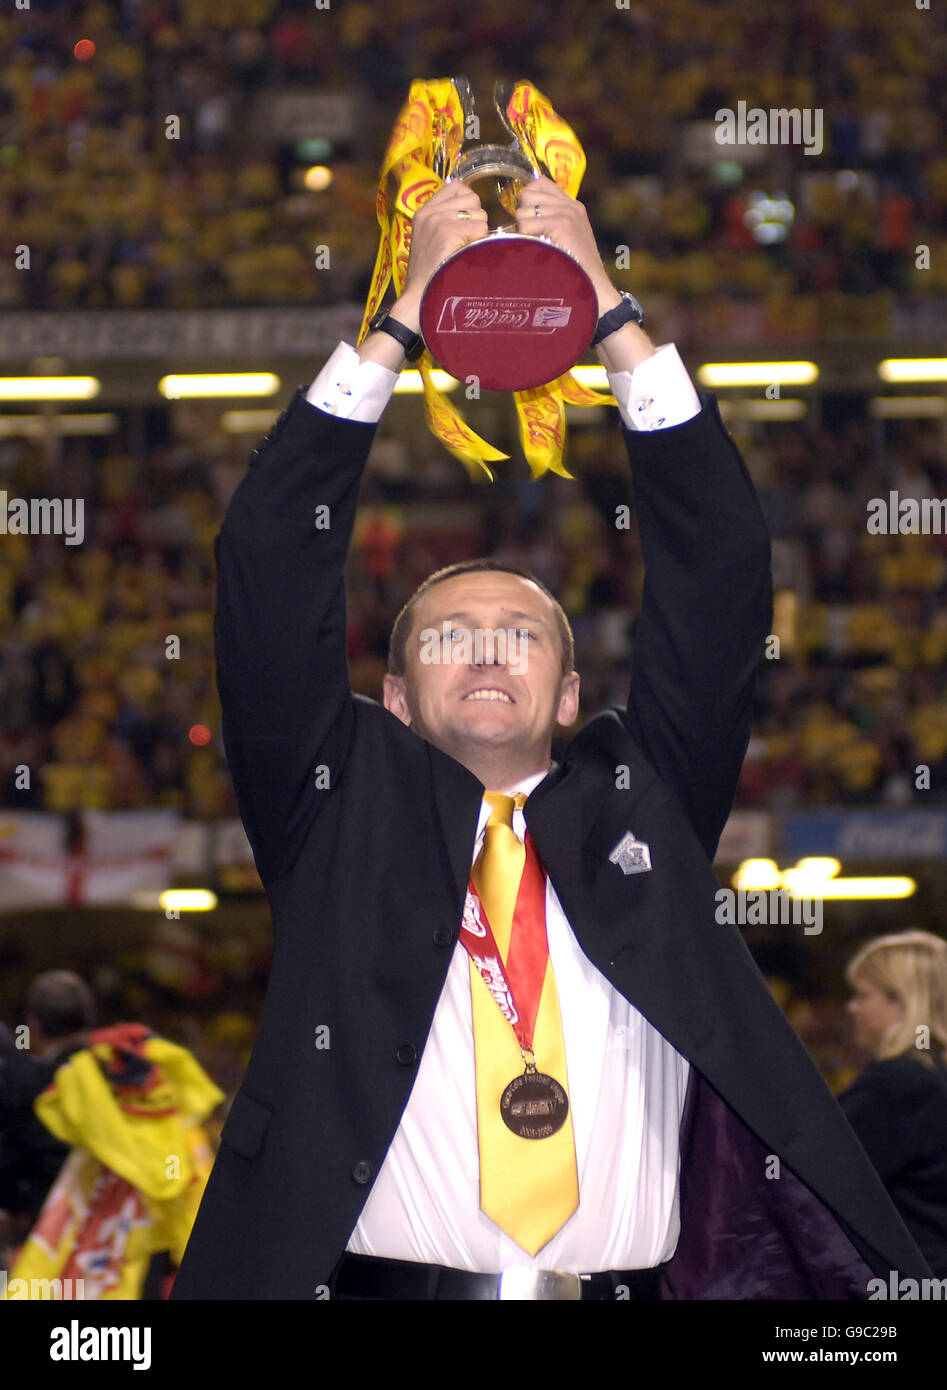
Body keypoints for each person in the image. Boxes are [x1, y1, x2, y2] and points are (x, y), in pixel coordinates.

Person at [172, 176, 930, 1300]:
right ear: (388, 697)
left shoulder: (646, 795)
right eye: (448, 637)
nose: (487, 652)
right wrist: (401, 320)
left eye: (521, 633)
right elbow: (269, 564)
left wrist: (610, 315)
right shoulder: (331, 804)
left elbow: (718, 572)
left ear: (570, 693)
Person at [840, 930, 947, 1277]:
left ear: (901, 1001)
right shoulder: (932, 1074)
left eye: (861, 996)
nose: (852, 1008)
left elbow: (823, 1176)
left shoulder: (898, 1083)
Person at [0, 971, 95, 1242]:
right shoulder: (120, 1075)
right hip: (112, 1239)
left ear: (34, 1025)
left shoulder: (31, 1089)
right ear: (87, 1020)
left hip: (47, 1242)